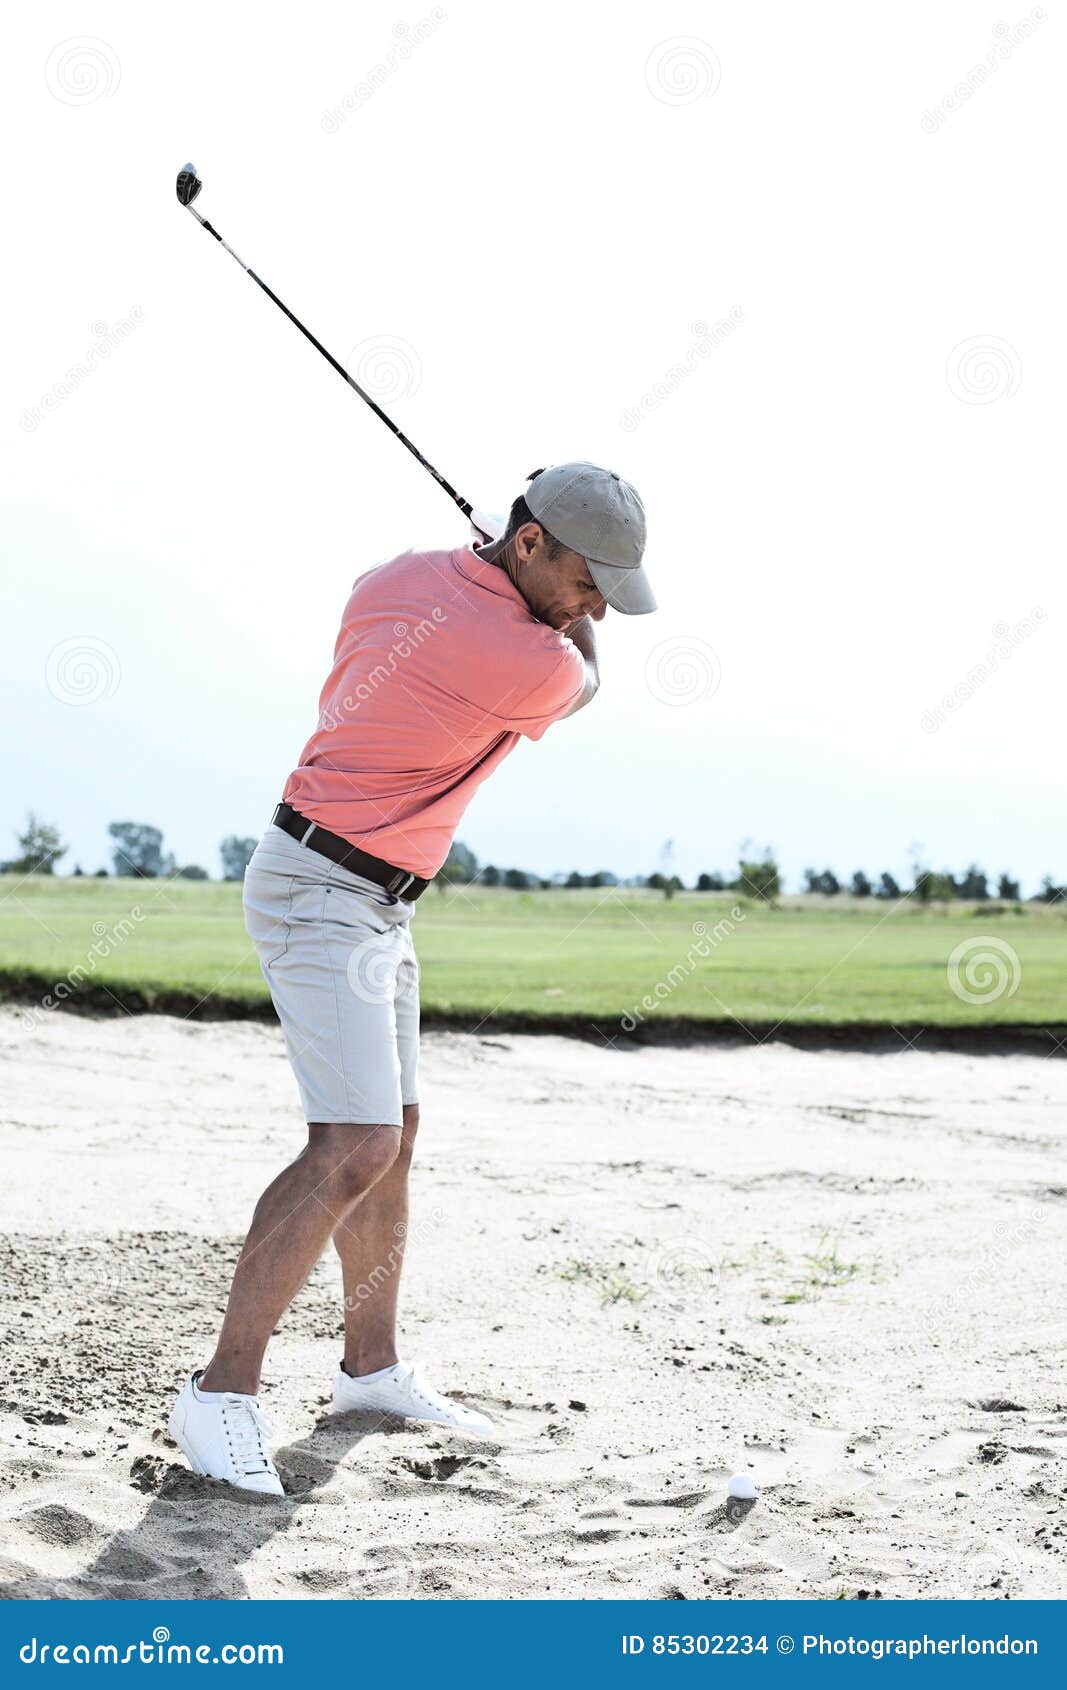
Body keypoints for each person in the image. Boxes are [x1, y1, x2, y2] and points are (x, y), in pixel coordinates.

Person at [168, 462, 656, 1492]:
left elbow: (454, 597)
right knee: (354, 1144)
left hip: (372, 893)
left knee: (394, 1136)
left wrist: (495, 567)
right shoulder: (528, 658)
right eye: (588, 579)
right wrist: (539, 604)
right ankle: (222, 1393)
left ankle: (371, 1368)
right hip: (326, 892)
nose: (596, 603)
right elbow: (585, 675)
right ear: (529, 542)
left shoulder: (388, 576)